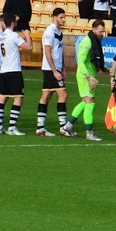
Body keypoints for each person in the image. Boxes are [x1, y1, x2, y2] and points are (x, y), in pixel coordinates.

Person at [0, 13, 28, 135]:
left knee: (2, 97)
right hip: (14, 70)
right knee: (18, 97)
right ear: (13, 23)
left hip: (3, 70)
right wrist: (27, 36)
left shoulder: (0, 37)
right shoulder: (14, 36)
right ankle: (12, 127)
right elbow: (28, 47)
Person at [35, 7, 72, 137]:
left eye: (64, 17)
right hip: (50, 69)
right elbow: (47, 51)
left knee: (46, 96)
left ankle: (40, 128)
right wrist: (55, 71)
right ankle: (63, 127)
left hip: (54, 68)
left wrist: (63, 69)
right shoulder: (50, 32)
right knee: (63, 95)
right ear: (54, 17)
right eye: (61, 17)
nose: (63, 20)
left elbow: (59, 51)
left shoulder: (58, 32)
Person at [71, 19, 107, 142]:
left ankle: (68, 126)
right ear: (94, 29)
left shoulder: (95, 41)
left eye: (103, 31)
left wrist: (103, 68)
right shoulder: (87, 42)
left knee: (85, 102)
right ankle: (89, 132)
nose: (102, 33)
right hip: (85, 76)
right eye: (100, 31)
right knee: (90, 101)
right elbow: (80, 61)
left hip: (89, 75)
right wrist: (88, 76)